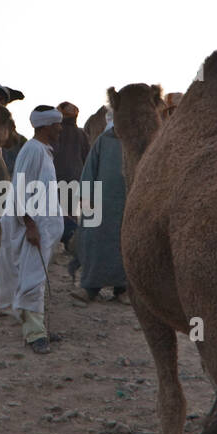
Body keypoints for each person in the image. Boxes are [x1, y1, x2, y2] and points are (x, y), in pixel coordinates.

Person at [0, 106, 64, 353]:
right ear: (45, 126)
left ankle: (39, 327)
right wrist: (30, 225)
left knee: (36, 276)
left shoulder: (44, 152)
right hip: (32, 227)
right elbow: (19, 189)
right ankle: (34, 335)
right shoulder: (32, 150)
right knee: (32, 278)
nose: (60, 128)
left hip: (42, 227)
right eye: (57, 124)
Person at [72, 114, 128, 302]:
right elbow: (89, 169)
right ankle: (89, 288)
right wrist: (86, 198)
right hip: (100, 205)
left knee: (124, 247)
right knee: (95, 245)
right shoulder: (103, 141)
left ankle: (123, 290)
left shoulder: (137, 140)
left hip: (127, 205)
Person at [53, 101, 90, 250]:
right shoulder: (82, 134)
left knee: (57, 212)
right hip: (76, 178)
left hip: (56, 178)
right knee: (71, 212)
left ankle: (60, 241)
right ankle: (70, 243)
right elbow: (87, 157)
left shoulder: (55, 132)